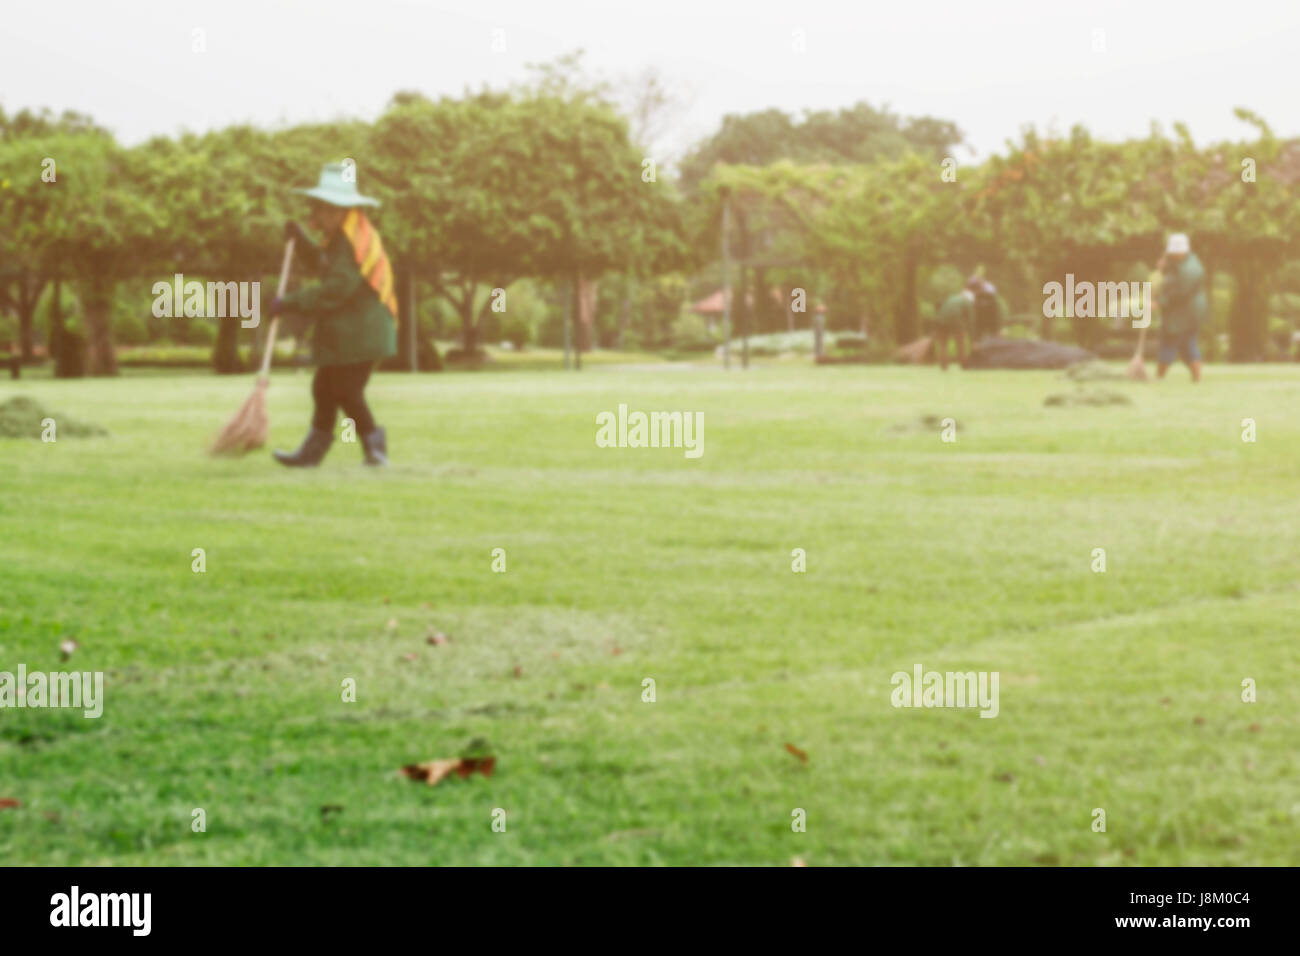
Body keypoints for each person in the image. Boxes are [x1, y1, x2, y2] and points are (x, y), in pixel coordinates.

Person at [270, 163, 398, 466]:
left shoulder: (353, 241)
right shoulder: (340, 237)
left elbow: (336, 288)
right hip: (351, 333)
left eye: (323, 208)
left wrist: (289, 302)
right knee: (324, 387)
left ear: (342, 210)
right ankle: (313, 453)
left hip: (364, 333)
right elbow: (323, 264)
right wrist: (301, 241)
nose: (316, 214)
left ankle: (374, 446)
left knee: (345, 389)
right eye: (316, 206)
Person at [1155, 233, 1207, 383]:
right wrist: (1163, 268)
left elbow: (1179, 293)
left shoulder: (1189, 269)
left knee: (1169, 342)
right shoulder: (1182, 262)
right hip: (1183, 311)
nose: (1171, 254)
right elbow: (1170, 279)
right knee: (1187, 345)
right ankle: (1196, 379)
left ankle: (1159, 377)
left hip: (1184, 312)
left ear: (1183, 251)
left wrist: (1159, 303)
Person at [931, 285, 975, 370]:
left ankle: (944, 366)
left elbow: (939, 306)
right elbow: (970, 322)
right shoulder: (967, 302)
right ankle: (964, 365)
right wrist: (973, 340)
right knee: (960, 343)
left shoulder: (951, 298)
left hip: (941, 320)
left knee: (943, 344)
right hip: (956, 321)